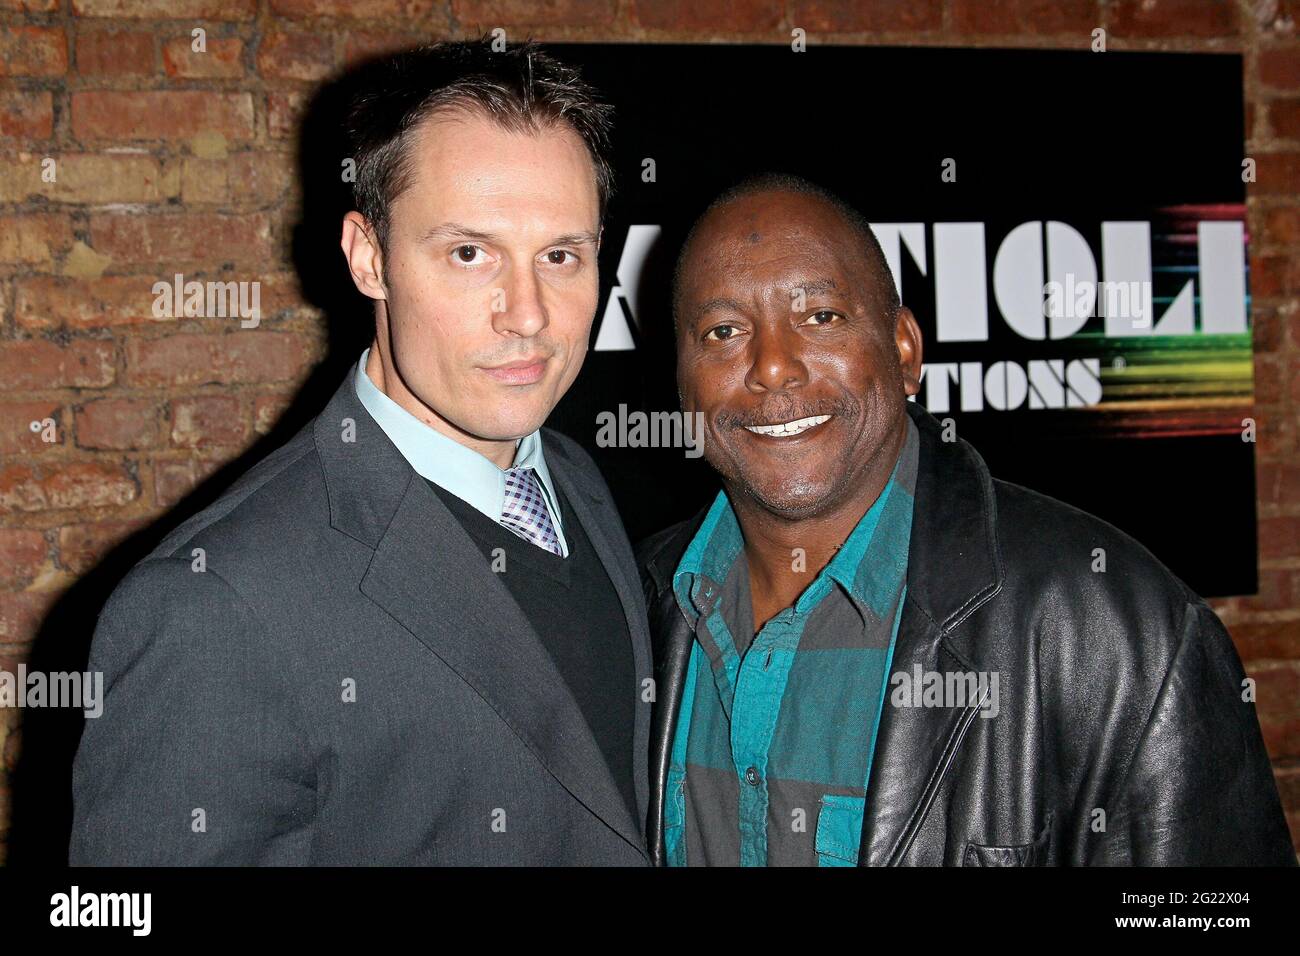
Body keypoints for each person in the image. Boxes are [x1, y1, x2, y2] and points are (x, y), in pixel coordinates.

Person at [70, 39, 652, 865]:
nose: (528, 313)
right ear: (369, 258)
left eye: (560, 256)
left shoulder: (574, 480)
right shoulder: (213, 606)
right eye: (469, 253)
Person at [639, 172, 1296, 866]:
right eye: (724, 331)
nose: (773, 366)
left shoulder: (1120, 635)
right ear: (680, 381)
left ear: (904, 350)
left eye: (820, 317)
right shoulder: (631, 606)